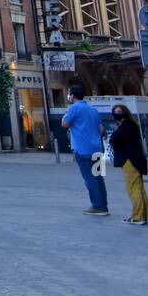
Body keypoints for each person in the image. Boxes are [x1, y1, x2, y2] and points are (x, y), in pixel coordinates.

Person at [61, 84, 108, 216]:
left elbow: (64, 124)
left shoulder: (73, 108)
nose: (68, 95)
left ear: (72, 95)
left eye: (68, 92)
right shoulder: (92, 109)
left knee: (89, 178)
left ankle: (97, 206)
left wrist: (66, 113)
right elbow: (101, 130)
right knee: (99, 177)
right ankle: (103, 205)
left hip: (83, 149)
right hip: (98, 148)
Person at [108, 104, 147, 226]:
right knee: (139, 189)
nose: (117, 113)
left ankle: (138, 217)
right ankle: (142, 216)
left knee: (133, 189)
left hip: (130, 160)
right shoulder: (130, 124)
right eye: (115, 111)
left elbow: (117, 139)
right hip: (135, 159)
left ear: (125, 112)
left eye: (119, 111)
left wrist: (111, 138)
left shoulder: (127, 125)